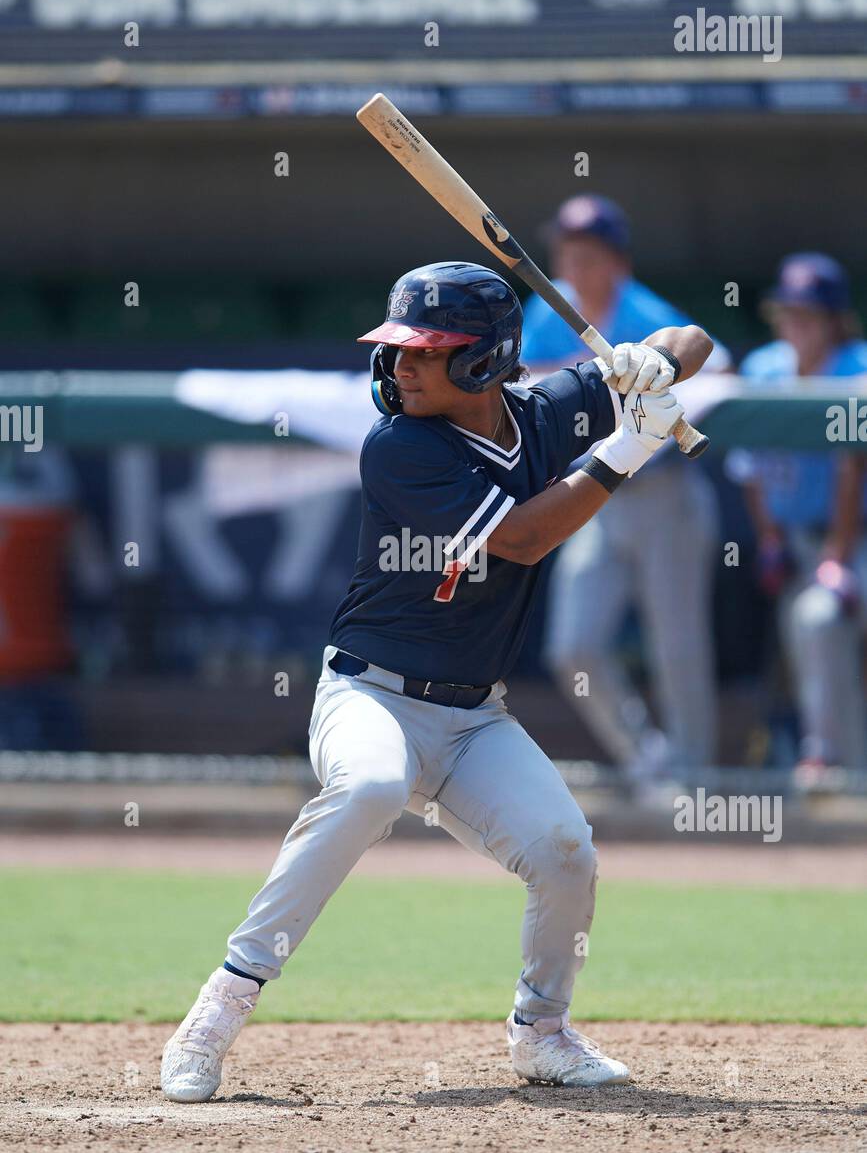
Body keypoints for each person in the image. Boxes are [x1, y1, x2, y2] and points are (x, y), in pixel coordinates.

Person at [160, 261, 712, 1102]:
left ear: (484, 361)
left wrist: (651, 362)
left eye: (426, 352)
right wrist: (626, 447)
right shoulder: (400, 447)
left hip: (472, 718)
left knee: (566, 853)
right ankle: (220, 1007)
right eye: (397, 351)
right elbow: (524, 539)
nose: (400, 367)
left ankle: (543, 1035)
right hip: (369, 695)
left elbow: (694, 338)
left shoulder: (544, 413)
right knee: (371, 787)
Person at [524, 195, 728, 777]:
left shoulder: (642, 311)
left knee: (677, 647)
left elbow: (717, 363)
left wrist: (660, 369)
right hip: (593, 497)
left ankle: (693, 779)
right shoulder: (548, 311)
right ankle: (648, 763)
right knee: (573, 646)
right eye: (567, 253)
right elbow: (519, 379)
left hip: (666, 492)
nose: (575, 266)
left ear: (617, 261)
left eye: (588, 254)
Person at [728, 252, 867, 773]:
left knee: (821, 624)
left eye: (808, 315)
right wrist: (768, 540)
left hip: (854, 540)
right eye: (788, 313)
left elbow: (852, 467)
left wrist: (838, 556)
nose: (796, 325)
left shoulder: (858, 368)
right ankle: (836, 768)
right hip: (794, 541)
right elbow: (752, 469)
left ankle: (831, 762)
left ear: (834, 319)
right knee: (814, 642)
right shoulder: (765, 369)